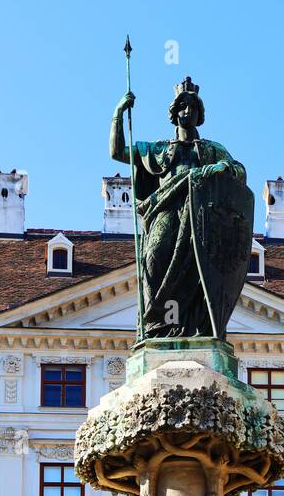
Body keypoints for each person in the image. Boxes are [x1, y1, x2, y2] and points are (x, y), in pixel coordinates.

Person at [109, 78, 254, 340]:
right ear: (175, 113)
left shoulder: (212, 150)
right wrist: (118, 113)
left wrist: (224, 167)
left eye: (193, 107)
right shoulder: (158, 149)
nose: (188, 111)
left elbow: (240, 172)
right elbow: (117, 152)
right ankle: (158, 327)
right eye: (183, 106)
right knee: (154, 262)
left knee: (198, 272)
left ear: (200, 114)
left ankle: (196, 328)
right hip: (166, 212)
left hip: (199, 219)